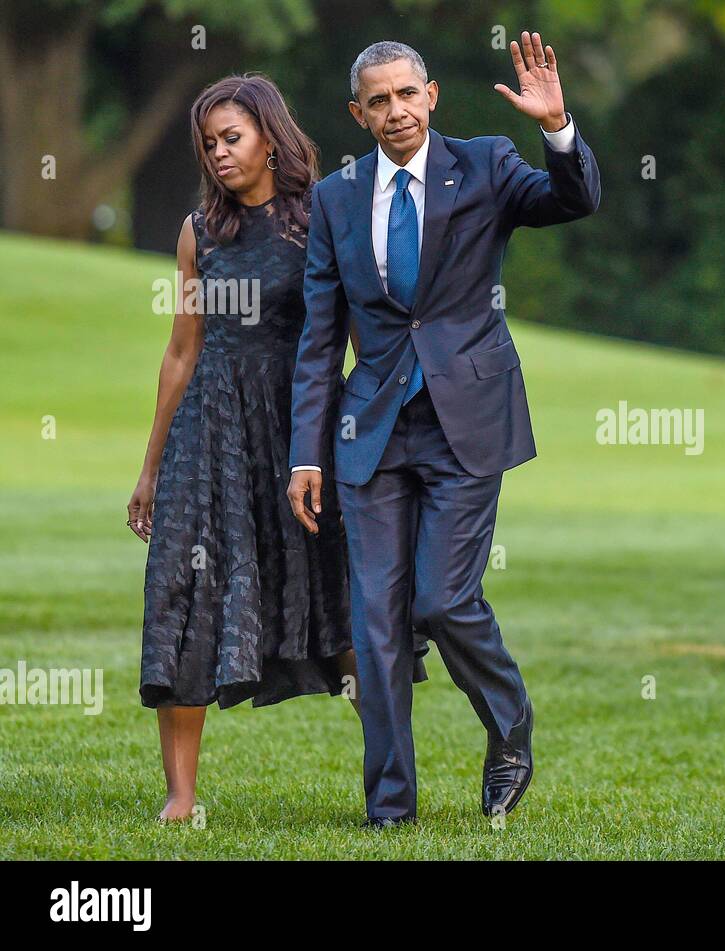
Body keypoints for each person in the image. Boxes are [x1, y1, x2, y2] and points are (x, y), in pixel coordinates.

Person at [287, 35, 600, 827]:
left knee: (443, 598)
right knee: (376, 621)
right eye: (378, 101)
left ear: (432, 95)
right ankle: (390, 807)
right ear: (358, 114)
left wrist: (557, 125)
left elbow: (573, 201)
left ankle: (511, 728)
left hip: (468, 416)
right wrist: (304, 455)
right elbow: (320, 337)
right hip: (372, 430)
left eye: (407, 94)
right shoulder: (337, 197)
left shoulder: (489, 164)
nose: (396, 111)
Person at [129, 75, 359, 822]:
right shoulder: (200, 230)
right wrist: (151, 466)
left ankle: (391, 778)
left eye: (232, 137)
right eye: (209, 143)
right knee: (182, 588)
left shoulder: (322, 219)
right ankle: (181, 796)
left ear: (269, 136)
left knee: (341, 594)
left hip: (300, 434)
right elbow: (180, 352)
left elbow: (358, 338)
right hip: (209, 433)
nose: (219, 153)